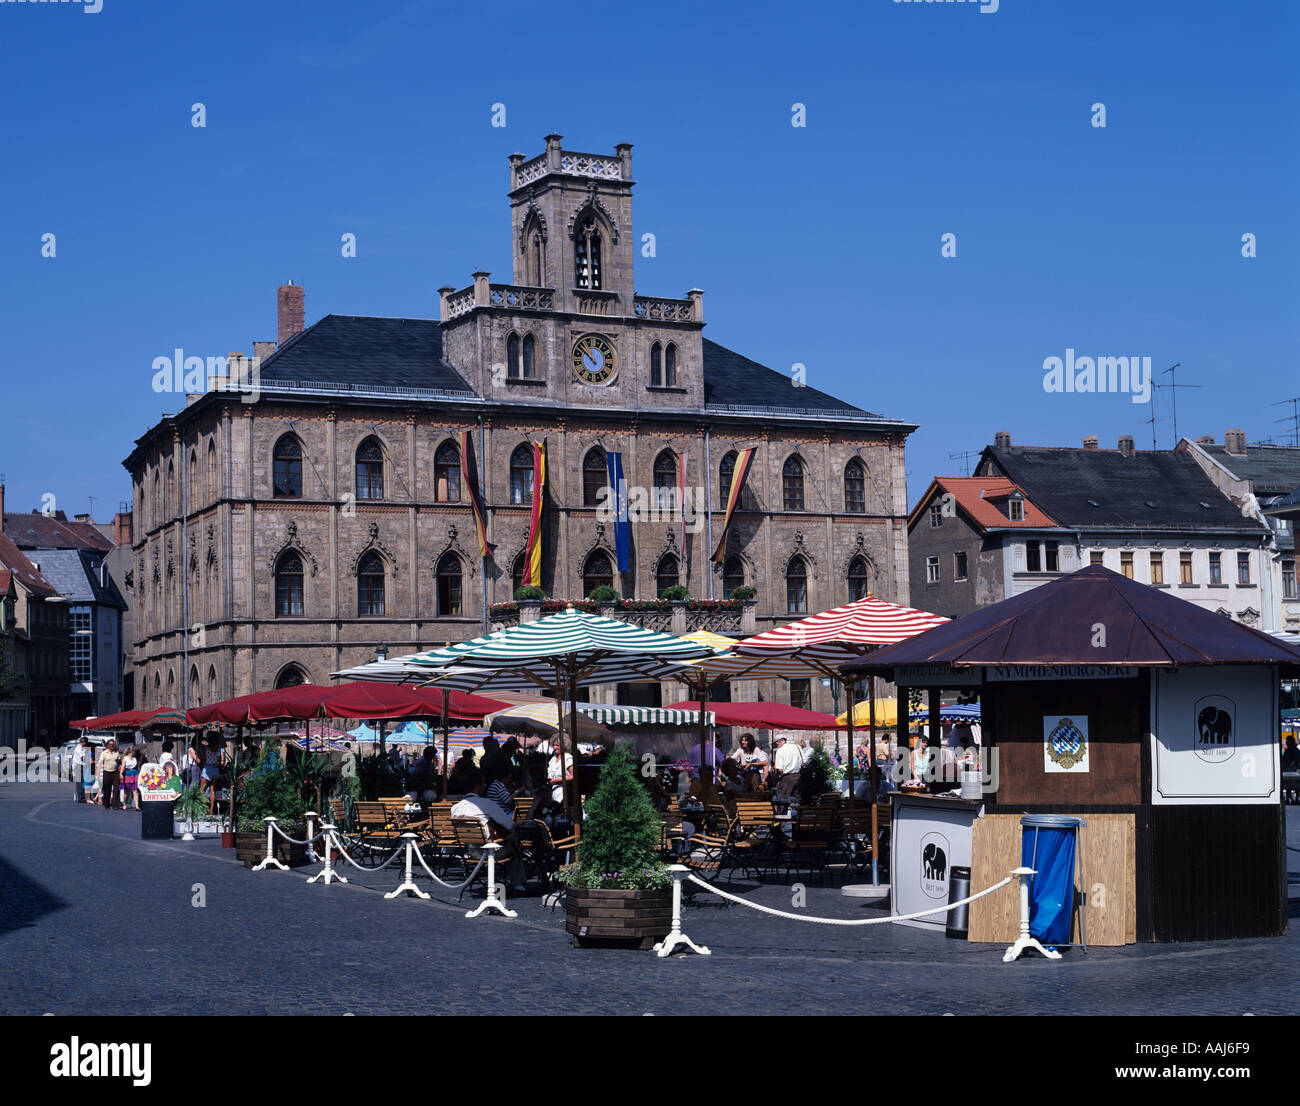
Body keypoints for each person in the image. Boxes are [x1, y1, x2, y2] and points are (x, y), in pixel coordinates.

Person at [450, 777, 528, 892]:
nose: (485, 786)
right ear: (477, 786)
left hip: (471, 852)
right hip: (490, 852)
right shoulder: (486, 803)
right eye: (483, 784)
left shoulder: (455, 808)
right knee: (515, 846)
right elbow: (509, 824)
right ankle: (517, 883)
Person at [771, 735, 803, 801]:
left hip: (787, 778)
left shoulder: (780, 750)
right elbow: (804, 762)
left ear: (777, 742)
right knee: (798, 799)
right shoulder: (797, 747)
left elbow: (780, 769)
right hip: (798, 776)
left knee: (783, 800)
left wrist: (777, 773)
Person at [100, 738, 121, 810]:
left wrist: (120, 772)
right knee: (107, 789)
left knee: (116, 789)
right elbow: (101, 763)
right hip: (107, 772)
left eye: (113, 744)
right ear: (108, 745)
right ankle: (107, 803)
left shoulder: (116, 753)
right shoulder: (104, 753)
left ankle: (115, 805)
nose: (113, 746)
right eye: (111, 744)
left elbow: (119, 763)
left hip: (115, 773)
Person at [121, 745, 141, 811]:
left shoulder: (135, 758)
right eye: (134, 752)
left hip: (135, 774)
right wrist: (121, 774)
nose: (135, 753)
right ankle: (124, 804)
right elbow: (123, 767)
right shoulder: (125, 758)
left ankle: (137, 806)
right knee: (127, 791)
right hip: (127, 774)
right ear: (132, 751)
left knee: (135, 791)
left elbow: (138, 767)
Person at [72, 737, 90, 804]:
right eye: (86, 742)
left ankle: (81, 797)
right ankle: (81, 798)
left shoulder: (81, 748)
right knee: (80, 782)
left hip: (80, 765)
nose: (86, 744)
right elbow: (83, 757)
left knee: (81, 782)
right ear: (83, 742)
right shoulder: (79, 748)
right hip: (78, 766)